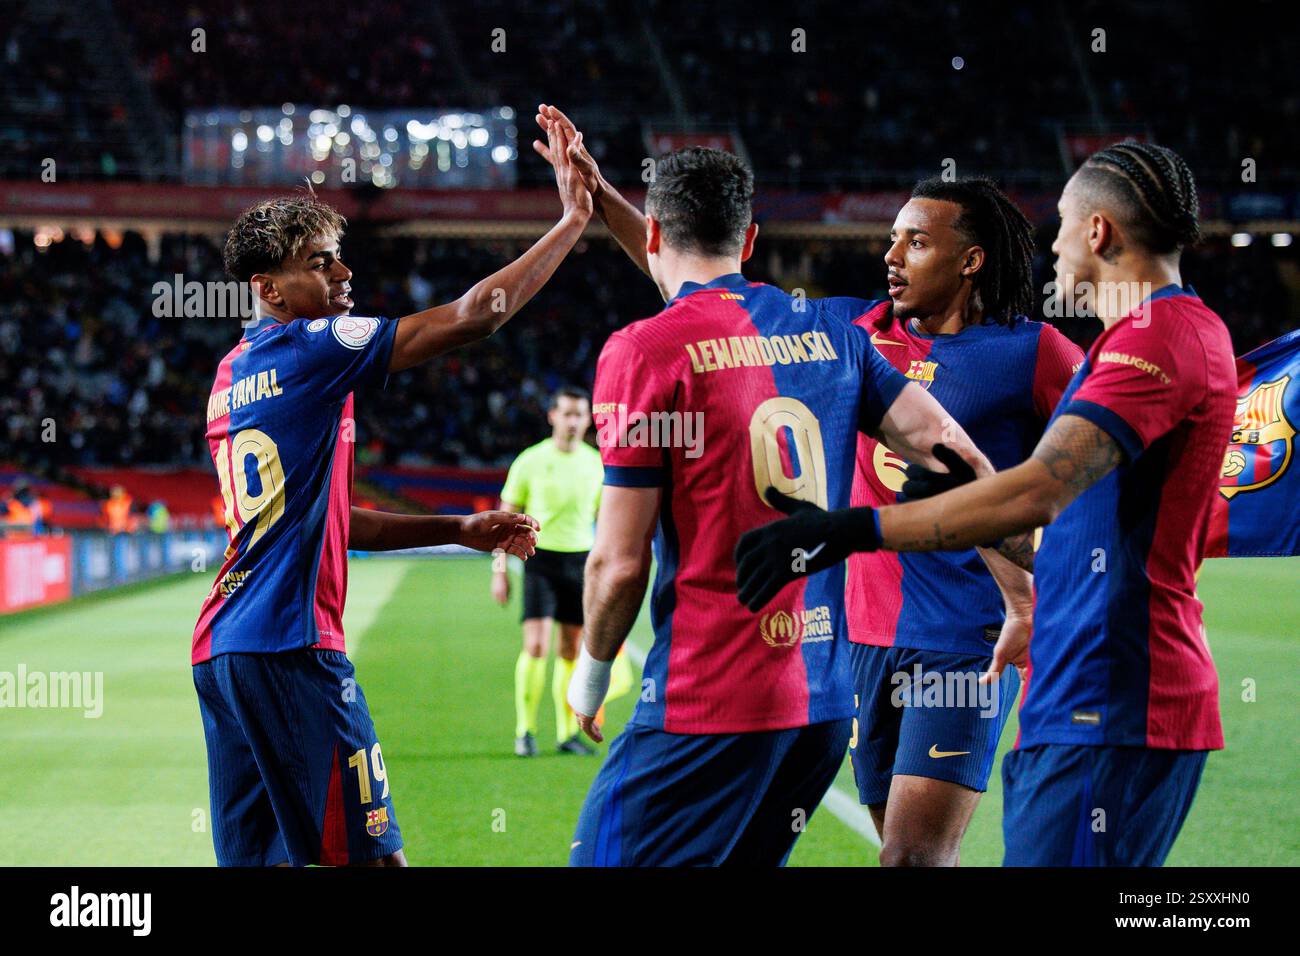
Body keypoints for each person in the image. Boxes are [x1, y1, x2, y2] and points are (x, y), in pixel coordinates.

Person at [536, 104, 1066, 866]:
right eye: (892, 239)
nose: (891, 254)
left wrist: (590, 680)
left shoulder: (1031, 349)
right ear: (751, 241)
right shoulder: (846, 336)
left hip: (810, 673)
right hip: (835, 674)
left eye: (914, 241)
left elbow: (620, 560)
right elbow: (962, 461)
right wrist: (607, 199)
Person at [736, 142, 1232, 867]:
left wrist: (854, 529)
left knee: (916, 852)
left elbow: (1037, 489)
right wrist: (1029, 601)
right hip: (1062, 678)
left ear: (1098, 231)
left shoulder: (1149, 342)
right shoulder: (1132, 341)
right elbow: (1071, 521)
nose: (1051, 244)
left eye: (1061, 223)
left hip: (1112, 688)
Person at [191, 117, 591, 867]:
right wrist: (573, 221)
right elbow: (475, 317)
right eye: (320, 263)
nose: (344, 275)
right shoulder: (317, 348)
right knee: (375, 860)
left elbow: (333, 524)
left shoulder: (229, 376)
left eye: (340, 258)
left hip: (222, 653)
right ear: (268, 288)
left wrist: (457, 526)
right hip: (292, 648)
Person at [494, 385, 604, 757]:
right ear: (552, 416)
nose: (574, 421)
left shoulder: (595, 462)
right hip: (538, 560)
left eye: (580, 414)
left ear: (588, 418)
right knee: (536, 645)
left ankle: (567, 733)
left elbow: (605, 519)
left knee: (571, 648)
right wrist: (499, 569)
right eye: (568, 414)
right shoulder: (531, 460)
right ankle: (524, 731)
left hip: (580, 562)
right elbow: (505, 515)